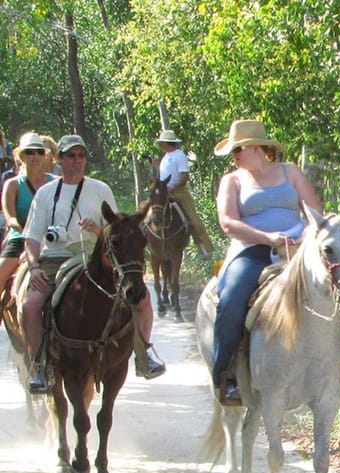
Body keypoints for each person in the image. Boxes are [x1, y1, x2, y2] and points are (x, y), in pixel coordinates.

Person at [211, 119, 340, 405]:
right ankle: (226, 377)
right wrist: (266, 237)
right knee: (232, 300)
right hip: (251, 250)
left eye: (238, 149)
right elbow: (228, 223)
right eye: (233, 151)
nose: (234, 156)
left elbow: (315, 214)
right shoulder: (232, 181)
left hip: (298, 249)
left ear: (257, 148)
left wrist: (304, 237)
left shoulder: (290, 172)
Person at [21, 134, 166, 392]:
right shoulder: (45, 194)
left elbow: (117, 232)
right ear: (59, 159)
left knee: (141, 300)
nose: (76, 161)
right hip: (55, 258)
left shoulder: (100, 189)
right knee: (31, 306)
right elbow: (31, 237)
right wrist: (34, 268)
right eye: (70, 156)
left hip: (95, 257)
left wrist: (97, 230)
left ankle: (145, 357)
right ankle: (39, 365)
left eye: (81, 155)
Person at [0, 133, 55, 303]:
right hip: (21, 238)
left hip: (52, 239)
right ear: (21, 156)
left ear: (45, 155)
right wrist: (27, 232)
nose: (35, 156)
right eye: (30, 152)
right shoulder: (13, 184)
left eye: (39, 152)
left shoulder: (56, 183)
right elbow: (10, 218)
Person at [155, 129, 214, 258]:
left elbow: (185, 176)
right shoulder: (165, 157)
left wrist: (173, 187)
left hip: (178, 191)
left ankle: (205, 248)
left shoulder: (179, 155)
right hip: (163, 191)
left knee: (192, 218)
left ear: (167, 143)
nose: (160, 145)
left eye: (162, 143)